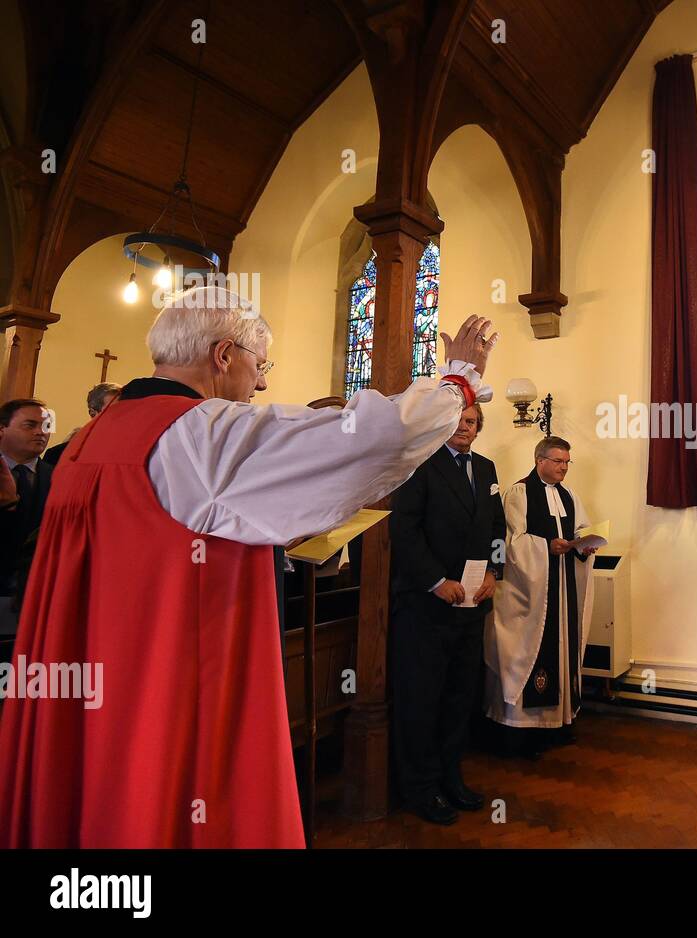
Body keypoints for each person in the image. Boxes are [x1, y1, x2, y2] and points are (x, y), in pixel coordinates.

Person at [0, 285, 499, 848]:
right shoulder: (200, 433)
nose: (260, 383)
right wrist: (457, 381)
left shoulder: (85, 440)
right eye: (259, 366)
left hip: (85, 673)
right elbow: (374, 438)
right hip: (168, 679)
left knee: (92, 793)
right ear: (223, 355)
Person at [389, 402, 505, 825]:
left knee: (460, 697)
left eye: (472, 422)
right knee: (423, 699)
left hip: (472, 604)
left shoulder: (487, 469)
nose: (465, 428)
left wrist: (495, 569)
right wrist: (436, 581)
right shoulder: (421, 463)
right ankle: (419, 788)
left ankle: (451, 777)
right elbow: (403, 528)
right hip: (426, 605)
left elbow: (497, 526)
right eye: (458, 421)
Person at [485, 435, 596, 756]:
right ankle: (522, 732)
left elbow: (582, 529)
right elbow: (511, 541)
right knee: (527, 653)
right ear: (540, 461)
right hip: (530, 594)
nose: (564, 468)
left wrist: (584, 545)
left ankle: (557, 724)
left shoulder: (569, 495)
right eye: (558, 461)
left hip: (561, 590)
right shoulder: (519, 493)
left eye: (566, 462)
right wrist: (546, 546)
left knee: (562, 650)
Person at [0, 399, 53, 637]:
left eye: (45, 426)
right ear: (3, 429)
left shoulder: (60, 477)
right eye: (30, 425)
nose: (40, 433)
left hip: (34, 591)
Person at [42, 382, 121, 468]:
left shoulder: (129, 452)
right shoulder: (58, 455)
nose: (121, 416)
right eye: (114, 410)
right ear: (93, 413)